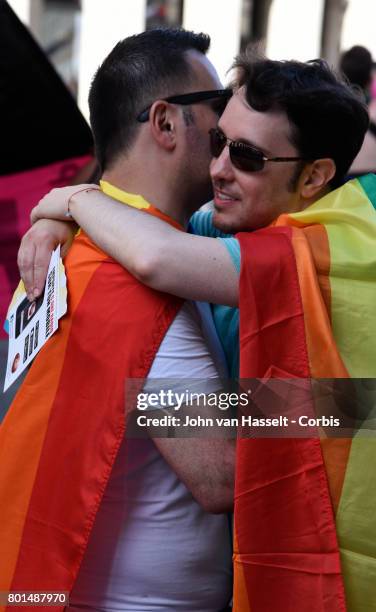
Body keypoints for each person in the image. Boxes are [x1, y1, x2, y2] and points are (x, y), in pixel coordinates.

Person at [23, 53, 376, 611]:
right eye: (218, 143)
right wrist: (61, 217)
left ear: (314, 176)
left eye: (246, 156)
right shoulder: (234, 221)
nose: (218, 171)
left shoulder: (334, 246)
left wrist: (72, 199)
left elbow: (157, 257)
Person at [0, 29, 236, 612]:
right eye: (220, 108)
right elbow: (222, 472)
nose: (231, 132)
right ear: (165, 124)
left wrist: (68, 205)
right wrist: (347, 399)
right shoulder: (137, 287)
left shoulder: (62, 255)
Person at [340, 45, 376, 175]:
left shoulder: (332, 110)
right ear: (369, 77)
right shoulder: (372, 109)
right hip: (371, 184)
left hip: (340, 184)